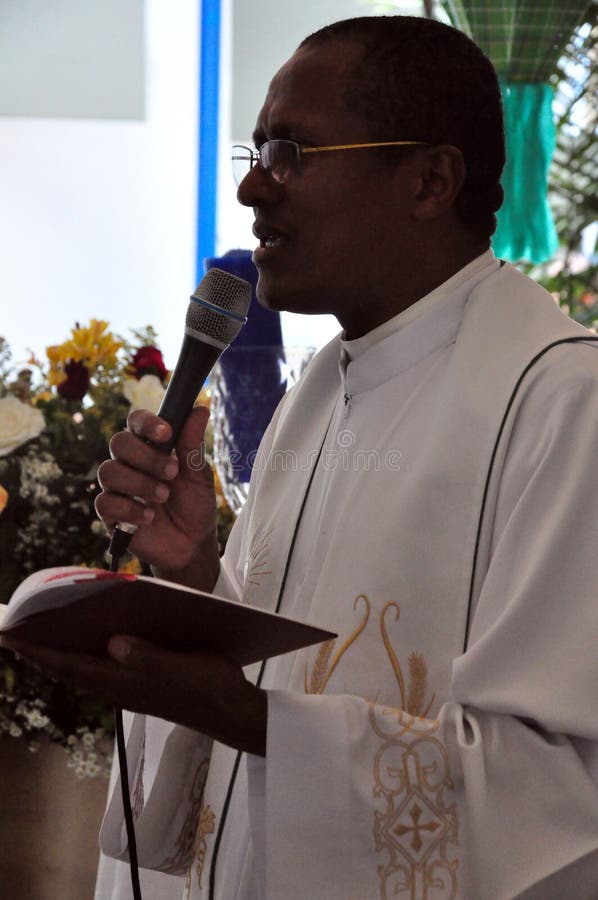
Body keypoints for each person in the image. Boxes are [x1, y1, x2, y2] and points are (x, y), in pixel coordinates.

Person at [3, 15, 598, 900]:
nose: (253, 187)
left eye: (291, 151)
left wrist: (235, 712)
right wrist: (199, 578)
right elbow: (291, 660)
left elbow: (554, 796)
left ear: (431, 179)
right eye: (257, 151)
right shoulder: (323, 386)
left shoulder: (561, 403)